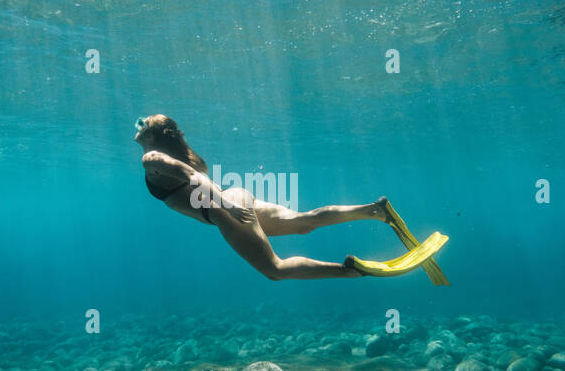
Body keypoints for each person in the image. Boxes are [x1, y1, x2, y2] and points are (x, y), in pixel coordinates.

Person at [135, 113, 390, 280]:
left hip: (224, 209)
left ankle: (349, 272)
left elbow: (192, 175)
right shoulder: (169, 154)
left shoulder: (151, 159)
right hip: (236, 196)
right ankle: (373, 210)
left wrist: (228, 207)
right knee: (304, 222)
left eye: (143, 123)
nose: (138, 124)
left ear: (150, 135)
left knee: (274, 270)